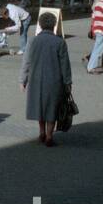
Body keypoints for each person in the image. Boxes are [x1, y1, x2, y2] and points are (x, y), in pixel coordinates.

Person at [21, 11, 72, 146]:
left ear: (40, 25)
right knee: (51, 108)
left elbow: (26, 62)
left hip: (36, 80)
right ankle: (49, 136)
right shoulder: (60, 42)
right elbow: (65, 65)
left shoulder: (33, 41)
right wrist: (68, 82)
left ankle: (41, 132)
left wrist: (23, 80)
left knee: (40, 107)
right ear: (54, 25)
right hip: (54, 80)